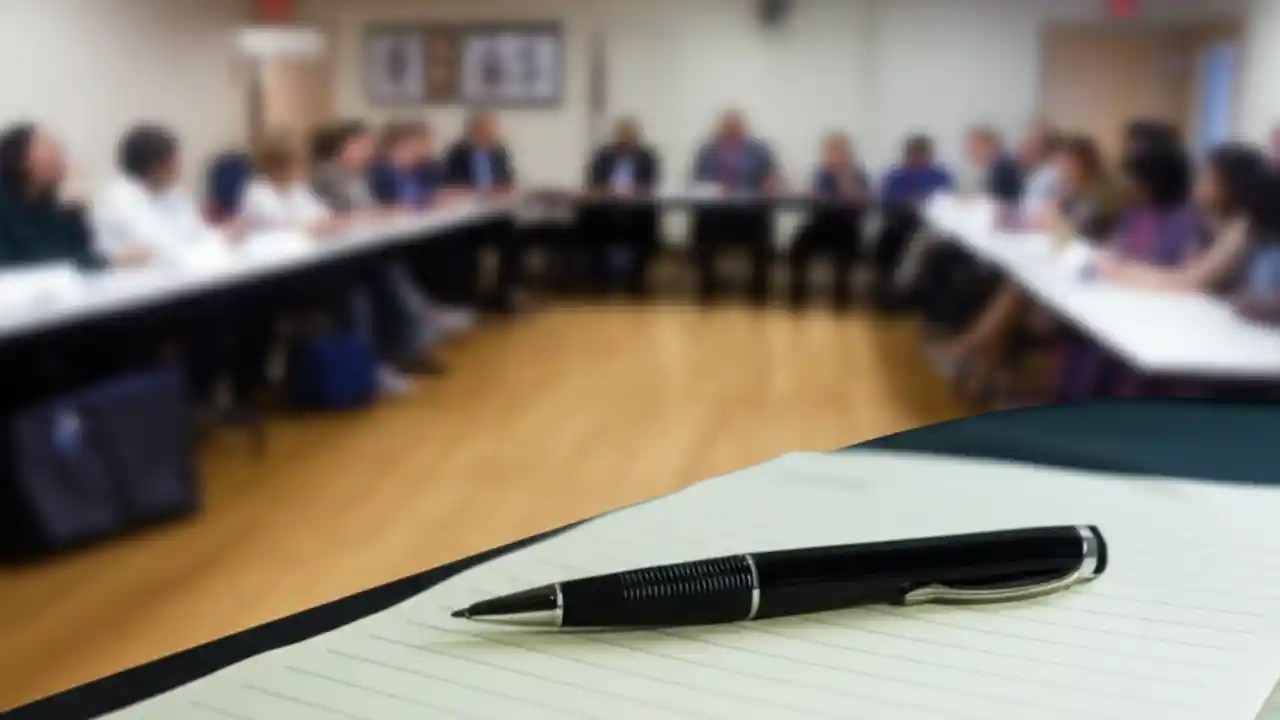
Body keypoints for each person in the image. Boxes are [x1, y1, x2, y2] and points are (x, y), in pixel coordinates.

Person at [942, 134, 1122, 402]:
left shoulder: (1098, 201)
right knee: (1014, 293)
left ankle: (973, 352)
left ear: (1081, 164)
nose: (1060, 171)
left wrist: (1055, 220)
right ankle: (979, 372)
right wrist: (1052, 216)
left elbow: (1077, 244)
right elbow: (1051, 229)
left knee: (1013, 296)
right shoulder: (1073, 193)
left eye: (1065, 165)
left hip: (1086, 287)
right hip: (1062, 275)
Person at [1059, 141, 1205, 400]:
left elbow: (1187, 277)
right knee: (1080, 333)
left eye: (1137, 178)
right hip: (1122, 299)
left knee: (1109, 352)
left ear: (1156, 180)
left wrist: (1124, 270)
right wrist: (1105, 260)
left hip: (1160, 313)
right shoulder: (1137, 211)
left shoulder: (1188, 220)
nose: (1130, 184)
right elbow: (1113, 248)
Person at [312, 120, 446, 384]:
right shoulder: (327, 174)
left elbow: (369, 208)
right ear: (344, 148)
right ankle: (377, 362)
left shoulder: (358, 175)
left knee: (391, 272)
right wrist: (380, 213)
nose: (370, 152)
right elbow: (344, 213)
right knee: (368, 290)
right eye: (363, 146)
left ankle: (404, 349)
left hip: (362, 251)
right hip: (332, 260)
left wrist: (379, 213)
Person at [1097, 144, 1267, 292]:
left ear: (1232, 186)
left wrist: (1125, 272)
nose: (1198, 182)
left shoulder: (1240, 227)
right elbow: (1183, 267)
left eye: (1208, 177)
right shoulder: (1205, 217)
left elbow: (1190, 280)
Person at [91, 125, 225, 267]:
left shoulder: (174, 192)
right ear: (155, 166)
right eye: (174, 161)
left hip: (180, 272)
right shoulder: (118, 196)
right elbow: (157, 248)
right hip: (133, 281)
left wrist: (221, 238)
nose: (180, 168)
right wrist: (214, 243)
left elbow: (198, 233)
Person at [690, 110, 781, 303]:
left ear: (743, 128)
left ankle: (759, 290)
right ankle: (707, 288)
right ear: (719, 128)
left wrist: (771, 182)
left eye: (735, 127)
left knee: (763, 226)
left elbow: (773, 176)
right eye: (726, 127)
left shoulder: (759, 150)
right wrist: (713, 189)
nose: (731, 131)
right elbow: (696, 180)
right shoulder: (707, 150)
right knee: (702, 226)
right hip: (716, 211)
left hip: (749, 212)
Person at [444, 111, 525, 311]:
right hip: (464, 218)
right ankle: (467, 299)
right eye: (491, 129)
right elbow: (450, 184)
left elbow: (508, 180)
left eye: (495, 129)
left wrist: (505, 191)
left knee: (515, 237)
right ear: (477, 130)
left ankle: (504, 293)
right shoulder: (457, 152)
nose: (495, 133)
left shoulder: (499, 152)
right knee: (461, 247)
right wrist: (476, 192)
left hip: (493, 213)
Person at [581, 117, 661, 295]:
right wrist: (608, 190)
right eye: (622, 134)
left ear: (636, 136)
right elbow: (593, 182)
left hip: (637, 209)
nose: (625, 137)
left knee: (647, 222)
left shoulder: (647, 156)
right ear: (616, 136)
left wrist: (634, 191)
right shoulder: (603, 155)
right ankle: (599, 277)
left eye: (629, 134)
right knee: (588, 220)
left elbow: (652, 183)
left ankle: (637, 277)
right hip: (607, 208)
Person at [0, 123, 98, 269]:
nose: (60, 159)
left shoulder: (48, 204)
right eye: (50, 150)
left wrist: (73, 214)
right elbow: (25, 262)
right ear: (21, 159)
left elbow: (82, 256)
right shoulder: (6, 205)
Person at [788, 132, 868, 307]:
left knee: (845, 253)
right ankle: (796, 298)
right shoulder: (820, 173)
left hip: (846, 224)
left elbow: (859, 202)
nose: (832, 155)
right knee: (797, 247)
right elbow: (811, 199)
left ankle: (841, 300)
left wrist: (843, 176)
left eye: (837, 151)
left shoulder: (856, 173)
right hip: (821, 222)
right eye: (830, 151)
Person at [873, 134, 953, 307]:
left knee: (932, 245)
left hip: (931, 224)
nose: (916, 157)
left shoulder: (940, 175)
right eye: (913, 152)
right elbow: (885, 201)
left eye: (921, 152)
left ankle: (908, 291)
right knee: (886, 240)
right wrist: (908, 203)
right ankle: (891, 289)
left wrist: (923, 203)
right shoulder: (895, 175)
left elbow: (947, 202)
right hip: (900, 219)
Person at [239, 131, 339, 236]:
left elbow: (323, 212)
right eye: (297, 165)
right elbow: (282, 225)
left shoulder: (296, 185)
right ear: (277, 168)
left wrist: (323, 222)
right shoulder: (257, 190)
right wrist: (314, 225)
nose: (305, 170)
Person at [371, 121, 447, 210]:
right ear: (398, 146)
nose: (425, 150)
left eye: (427, 145)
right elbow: (384, 206)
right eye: (421, 144)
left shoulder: (428, 166)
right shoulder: (378, 173)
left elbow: (435, 194)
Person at [963, 126, 1022, 205]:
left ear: (987, 145)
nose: (970, 153)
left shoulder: (1003, 169)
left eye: (974, 147)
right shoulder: (995, 167)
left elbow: (998, 203)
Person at [1017, 125, 1064, 222]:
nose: (1022, 153)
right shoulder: (1037, 172)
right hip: (1029, 222)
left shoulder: (1053, 174)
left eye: (1029, 149)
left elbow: (1056, 205)